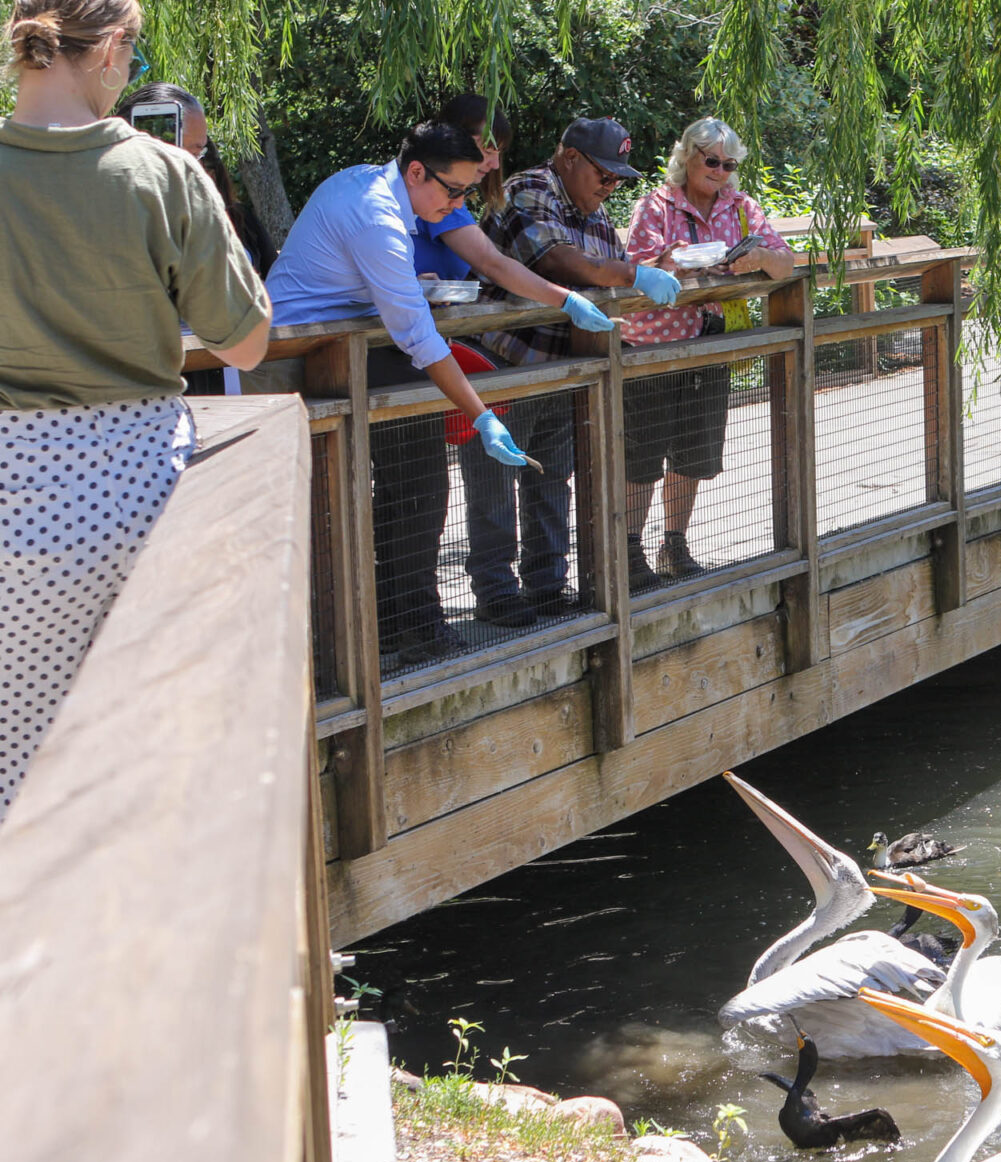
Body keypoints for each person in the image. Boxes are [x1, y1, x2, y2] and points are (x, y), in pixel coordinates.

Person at [0, 0, 271, 813]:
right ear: (113, 48)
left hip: (9, 487)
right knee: (143, 755)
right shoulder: (163, 174)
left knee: (17, 756)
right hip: (135, 491)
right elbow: (246, 344)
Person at [264, 121, 620, 663]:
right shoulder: (376, 217)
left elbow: (494, 264)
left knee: (416, 480)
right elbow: (421, 341)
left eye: (465, 194)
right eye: (452, 192)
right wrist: (481, 415)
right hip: (294, 361)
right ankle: (375, 630)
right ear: (415, 171)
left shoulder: (403, 189)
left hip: (352, 346)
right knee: (355, 495)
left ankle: (400, 620)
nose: (457, 205)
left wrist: (564, 300)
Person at [474, 115, 681, 617]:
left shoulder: (595, 212)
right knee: (494, 479)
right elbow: (556, 262)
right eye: (603, 175)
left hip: (565, 367)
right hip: (505, 361)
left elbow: (606, 275)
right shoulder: (529, 188)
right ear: (570, 158)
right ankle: (496, 592)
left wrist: (645, 274)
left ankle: (547, 585)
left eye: (617, 179)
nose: (610, 187)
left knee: (552, 477)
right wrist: (635, 273)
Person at [622, 116, 795, 588]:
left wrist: (758, 258)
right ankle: (629, 551)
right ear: (688, 156)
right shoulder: (657, 205)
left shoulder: (740, 207)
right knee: (642, 453)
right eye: (711, 160)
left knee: (695, 450)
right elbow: (634, 269)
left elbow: (786, 262)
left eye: (728, 163)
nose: (719, 171)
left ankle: (673, 544)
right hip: (653, 344)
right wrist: (669, 262)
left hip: (709, 336)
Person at [114, 81, 275, 394]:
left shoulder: (212, 213)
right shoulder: (104, 208)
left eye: (199, 154)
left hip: (214, 368)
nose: (192, 167)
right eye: (182, 151)